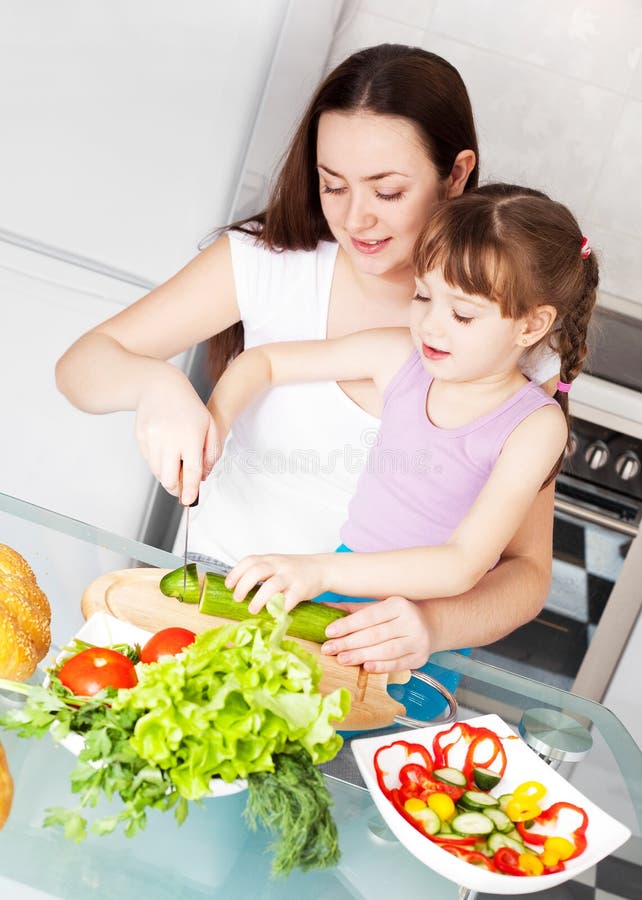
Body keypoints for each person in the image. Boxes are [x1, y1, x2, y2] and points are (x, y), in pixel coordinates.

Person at [56, 44, 561, 675]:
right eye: (333, 185)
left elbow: (527, 572)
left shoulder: (515, 343)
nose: (356, 218)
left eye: (389, 190)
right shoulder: (269, 265)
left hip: (371, 662)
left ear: (456, 175)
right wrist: (156, 383)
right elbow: (80, 367)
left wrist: (433, 625)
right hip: (209, 619)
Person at [203, 186, 598, 623]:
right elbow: (266, 362)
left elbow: (461, 563)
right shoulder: (397, 357)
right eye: (423, 296)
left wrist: (320, 568)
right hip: (339, 589)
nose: (430, 325)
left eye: (463, 315)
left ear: (532, 325)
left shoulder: (535, 427)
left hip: (417, 629)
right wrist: (214, 423)